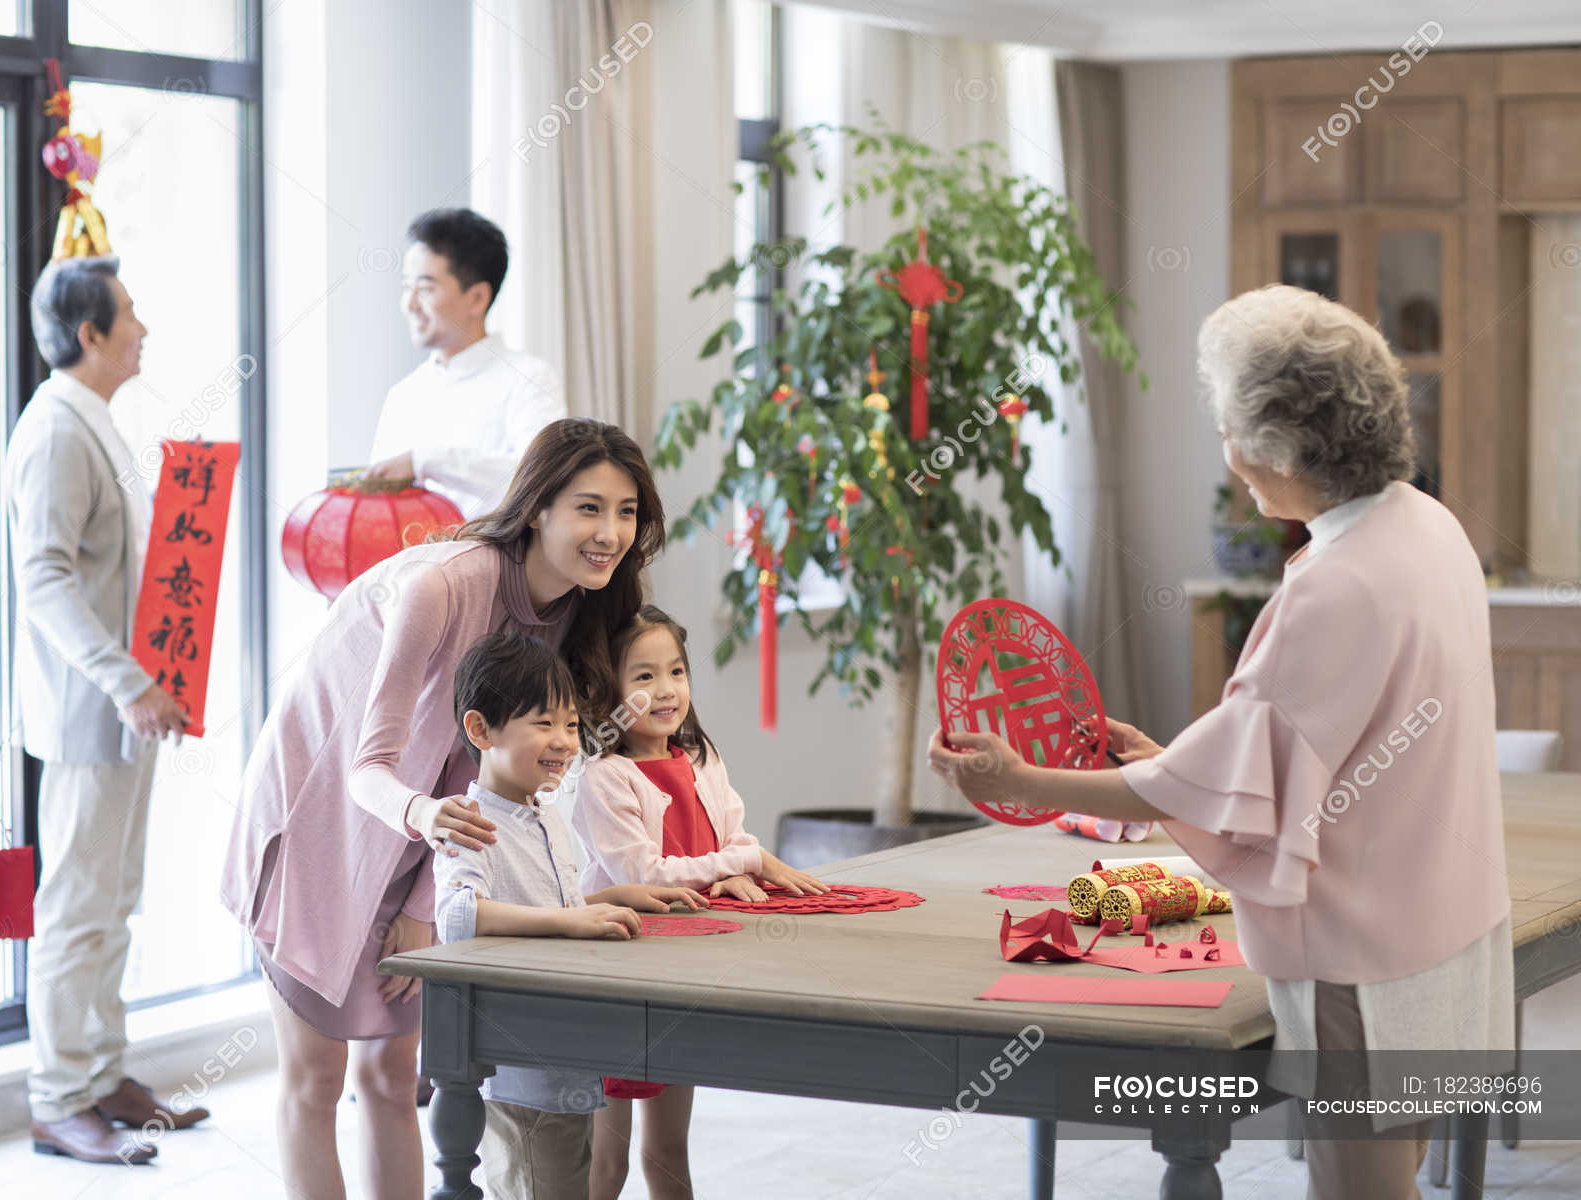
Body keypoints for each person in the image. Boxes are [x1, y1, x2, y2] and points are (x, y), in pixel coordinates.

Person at [928, 284, 1513, 1200]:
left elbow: (1214, 770)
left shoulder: (1330, 586)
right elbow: (1329, 741)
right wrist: (1185, 758)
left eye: (1230, 427)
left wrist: (1026, 778)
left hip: (1363, 953)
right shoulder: (1429, 529)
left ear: (1280, 448)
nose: (1227, 451)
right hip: (1452, 925)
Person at [220, 418, 666, 1200]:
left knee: (397, 1073)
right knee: (316, 1078)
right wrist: (426, 823)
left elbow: (494, 775)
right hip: (322, 817)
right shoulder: (442, 586)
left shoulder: (573, 614)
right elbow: (368, 765)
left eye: (627, 512)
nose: (611, 533)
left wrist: (430, 895)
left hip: (422, 831)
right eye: (589, 508)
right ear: (538, 509)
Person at [8, 256, 205, 1165]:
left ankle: (102, 1074)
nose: (143, 329)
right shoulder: (55, 431)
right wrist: (127, 681)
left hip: (133, 708)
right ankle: (57, 1100)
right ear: (89, 333)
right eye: (130, 314)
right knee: (78, 906)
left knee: (114, 900)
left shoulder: (97, 425)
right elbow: (44, 580)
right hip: (97, 711)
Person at [435, 631, 706, 1200]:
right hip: (523, 1067)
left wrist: (610, 899)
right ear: (481, 730)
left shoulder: (543, 809)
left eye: (570, 724)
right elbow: (458, 916)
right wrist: (568, 922)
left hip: (565, 1055)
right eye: (543, 724)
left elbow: (555, 903)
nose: (564, 741)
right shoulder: (469, 821)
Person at [569, 605, 826, 1200]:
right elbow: (645, 875)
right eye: (643, 677)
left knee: (669, 1149)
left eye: (677, 671)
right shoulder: (605, 776)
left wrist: (737, 864)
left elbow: (732, 835)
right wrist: (742, 863)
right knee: (607, 1160)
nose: (666, 690)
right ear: (605, 688)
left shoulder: (702, 758)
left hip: (688, 974)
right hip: (626, 974)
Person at [366, 207, 565, 518]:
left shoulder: (527, 379)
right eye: (407, 287)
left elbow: (542, 480)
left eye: (426, 289)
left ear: (477, 298)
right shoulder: (403, 394)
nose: (410, 304)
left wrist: (426, 461)